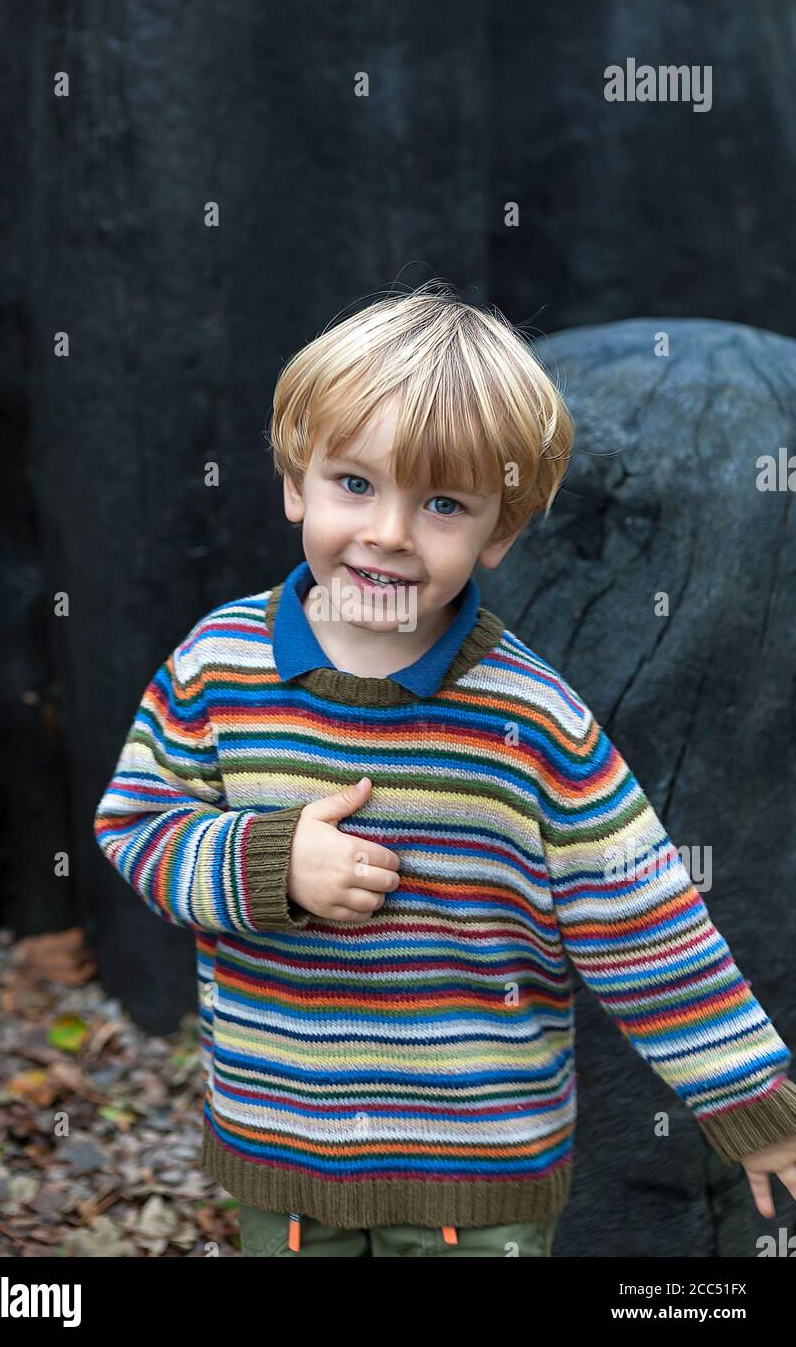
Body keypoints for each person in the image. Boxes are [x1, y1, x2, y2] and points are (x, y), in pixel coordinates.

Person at [93, 281, 796, 1257]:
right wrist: (266, 864)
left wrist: (750, 1102)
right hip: (284, 1149)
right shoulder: (218, 667)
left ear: (498, 532)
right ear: (295, 479)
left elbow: (641, 918)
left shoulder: (529, 720)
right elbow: (135, 821)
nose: (387, 530)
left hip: (481, 1172)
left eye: (441, 503)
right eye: (353, 484)